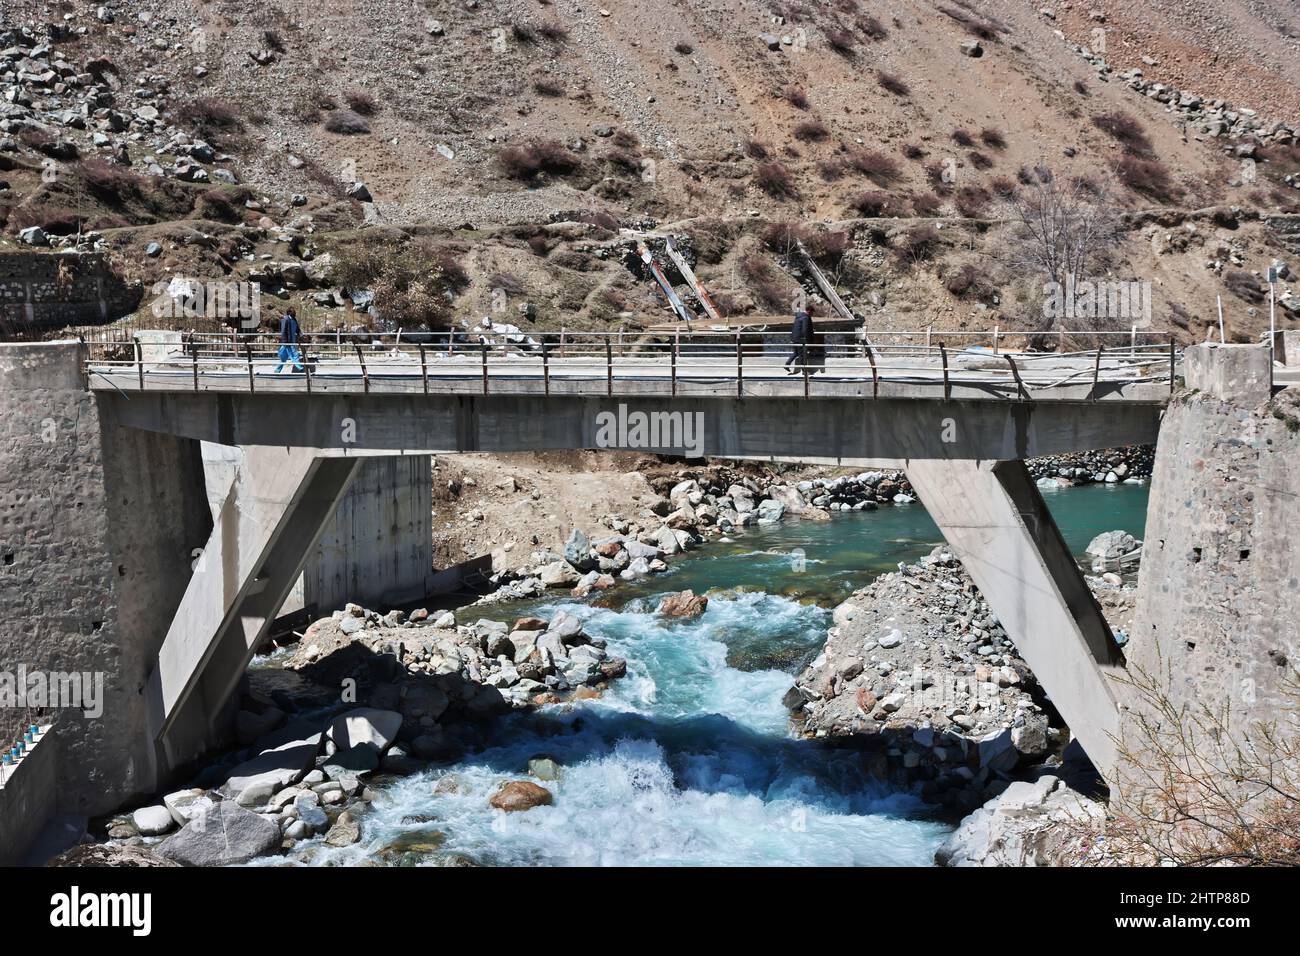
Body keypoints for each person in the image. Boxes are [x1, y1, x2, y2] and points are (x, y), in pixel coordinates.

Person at [275, 307, 304, 373]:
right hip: (287, 341)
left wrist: (301, 335)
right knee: (294, 355)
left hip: (292, 341)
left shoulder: (294, 319)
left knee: (283, 358)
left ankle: (277, 370)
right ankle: (300, 368)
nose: (294, 313)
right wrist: (286, 342)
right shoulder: (286, 319)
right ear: (289, 312)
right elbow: (283, 331)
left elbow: (297, 329)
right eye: (293, 312)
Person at [785, 309, 812, 375]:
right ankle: (804, 371)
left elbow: (796, 327)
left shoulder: (798, 316)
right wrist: (806, 338)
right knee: (802, 355)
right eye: (812, 313)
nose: (812, 315)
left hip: (794, 338)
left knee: (796, 352)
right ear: (809, 311)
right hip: (800, 339)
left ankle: (787, 364)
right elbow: (804, 329)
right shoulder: (805, 317)